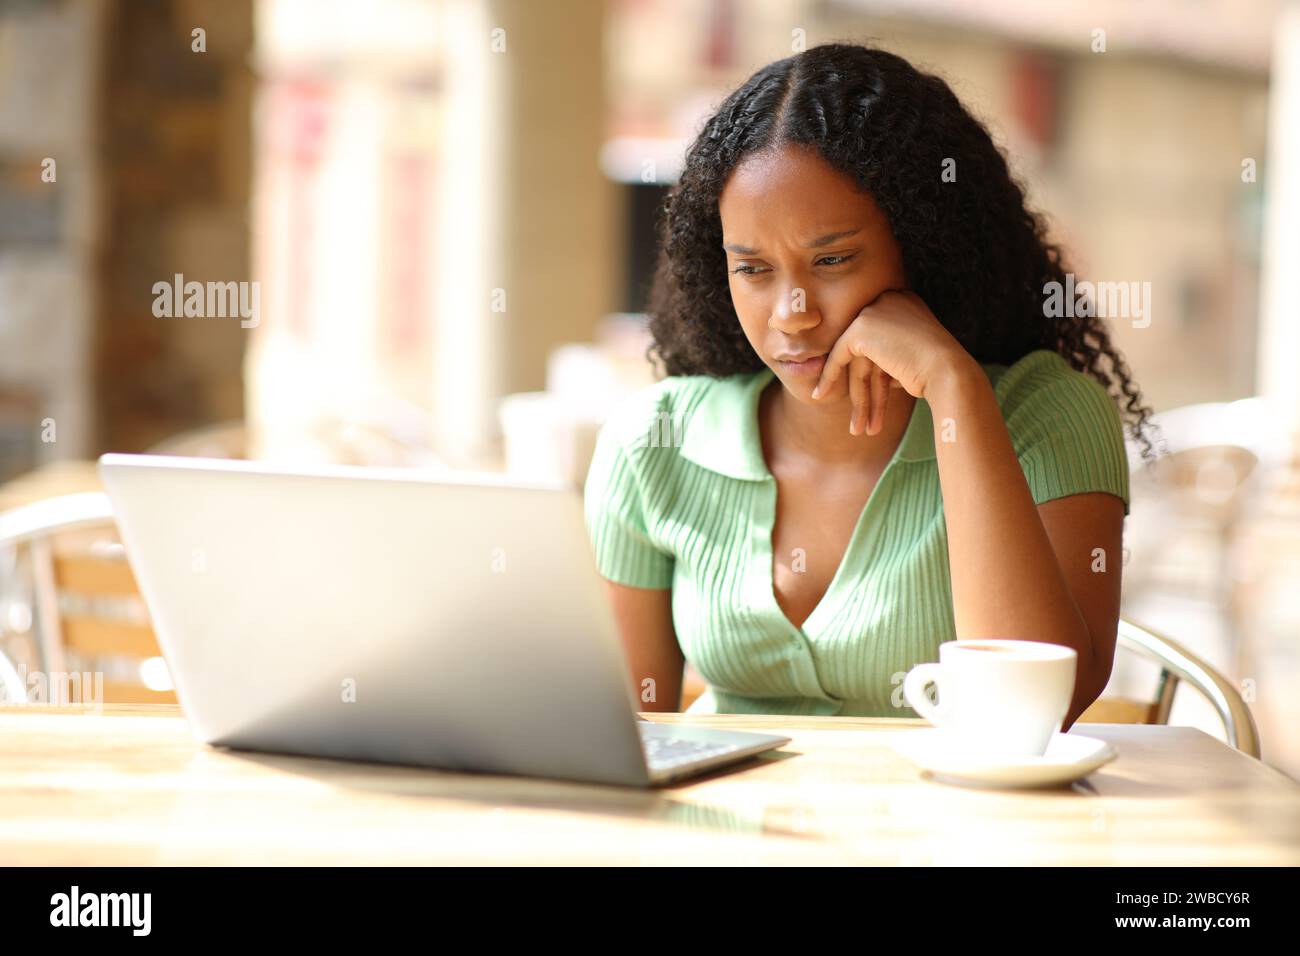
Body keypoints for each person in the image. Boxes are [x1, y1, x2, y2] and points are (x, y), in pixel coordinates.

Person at [584, 43, 1152, 729]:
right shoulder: (654, 444)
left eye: (833, 259)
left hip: (957, 831)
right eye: (754, 269)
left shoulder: (1048, 416)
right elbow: (625, 736)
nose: (793, 314)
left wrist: (954, 390)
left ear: (924, 242)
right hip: (729, 831)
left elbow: (1030, 713)